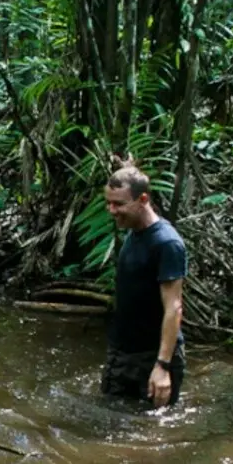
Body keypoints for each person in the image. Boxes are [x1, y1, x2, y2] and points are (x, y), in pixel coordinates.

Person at [100, 162, 188, 408]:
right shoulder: (134, 230)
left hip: (152, 358)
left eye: (118, 204)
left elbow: (174, 308)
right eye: (108, 203)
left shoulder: (167, 244)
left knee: (151, 434)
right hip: (122, 353)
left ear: (143, 200)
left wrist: (162, 367)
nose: (112, 210)